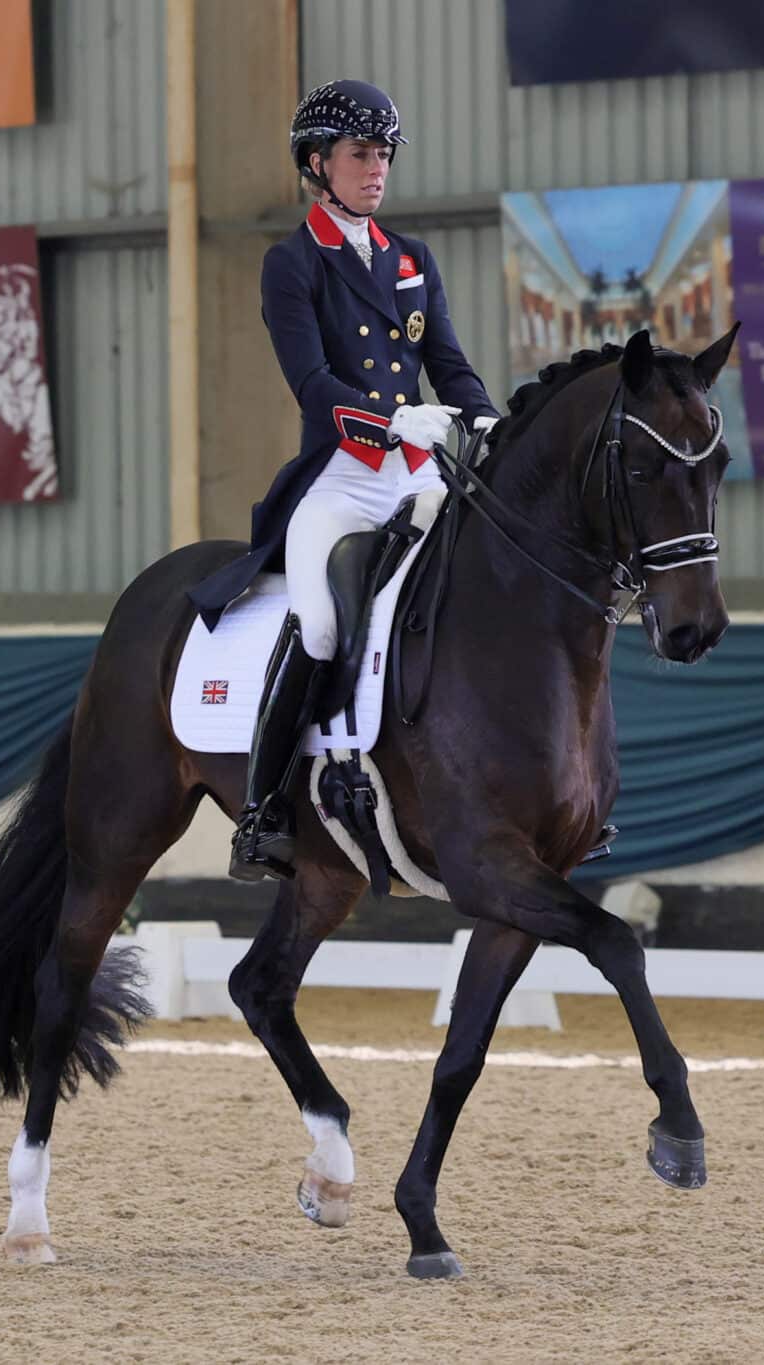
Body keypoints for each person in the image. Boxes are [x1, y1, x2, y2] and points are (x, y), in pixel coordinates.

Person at [187, 79, 501, 883]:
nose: (377, 169)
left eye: (385, 154)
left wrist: (490, 422)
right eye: (362, 154)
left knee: (489, 590)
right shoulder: (291, 265)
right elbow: (314, 383)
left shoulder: (412, 259)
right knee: (321, 625)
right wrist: (391, 421)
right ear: (319, 163)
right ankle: (261, 810)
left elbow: (450, 367)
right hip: (343, 475)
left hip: (419, 475)